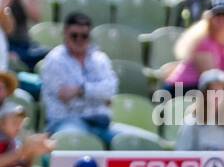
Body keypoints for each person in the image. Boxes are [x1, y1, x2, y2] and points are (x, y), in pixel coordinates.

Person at [41, 13, 155, 146]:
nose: (79, 39)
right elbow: (64, 95)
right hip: (67, 120)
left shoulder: (100, 58)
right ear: (65, 34)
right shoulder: (55, 59)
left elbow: (110, 91)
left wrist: (80, 90)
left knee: (137, 142)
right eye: (74, 35)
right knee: (76, 140)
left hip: (101, 123)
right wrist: (97, 93)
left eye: (84, 36)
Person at [165, 0, 224, 91]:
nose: (221, 19)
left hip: (213, 89)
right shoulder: (202, 40)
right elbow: (211, 77)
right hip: (182, 88)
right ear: (209, 18)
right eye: (217, 15)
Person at [175, 68, 224, 152]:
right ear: (204, 95)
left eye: (222, 91)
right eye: (213, 91)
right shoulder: (191, 123)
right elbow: (182, 155)